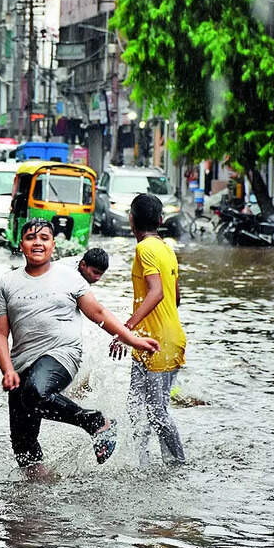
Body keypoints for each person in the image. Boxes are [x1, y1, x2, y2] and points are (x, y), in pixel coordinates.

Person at [0, 218, 159, 470]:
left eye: (44, 238)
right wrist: (7, 369)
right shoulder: (7, 283)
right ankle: (35, 498)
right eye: (30, 238)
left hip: (61, 355)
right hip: (20, 364)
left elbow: (99, 314)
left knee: (36, 392)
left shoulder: (70, 278)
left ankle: (97, 422)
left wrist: (133, 340)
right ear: (21, 244)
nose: (37, 243)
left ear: (53, 245)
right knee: (23, 446)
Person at [110, 194, 188, 466]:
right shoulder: (166, 249)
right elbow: (175, 298)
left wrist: (125, 329)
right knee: (137, 408)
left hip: (158, 342)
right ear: (160, 220)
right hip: (153, 340)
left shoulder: (144, 250)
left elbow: (155, 293)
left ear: (131, 219)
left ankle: (178, 465)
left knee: (156, 411)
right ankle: (141, 464)